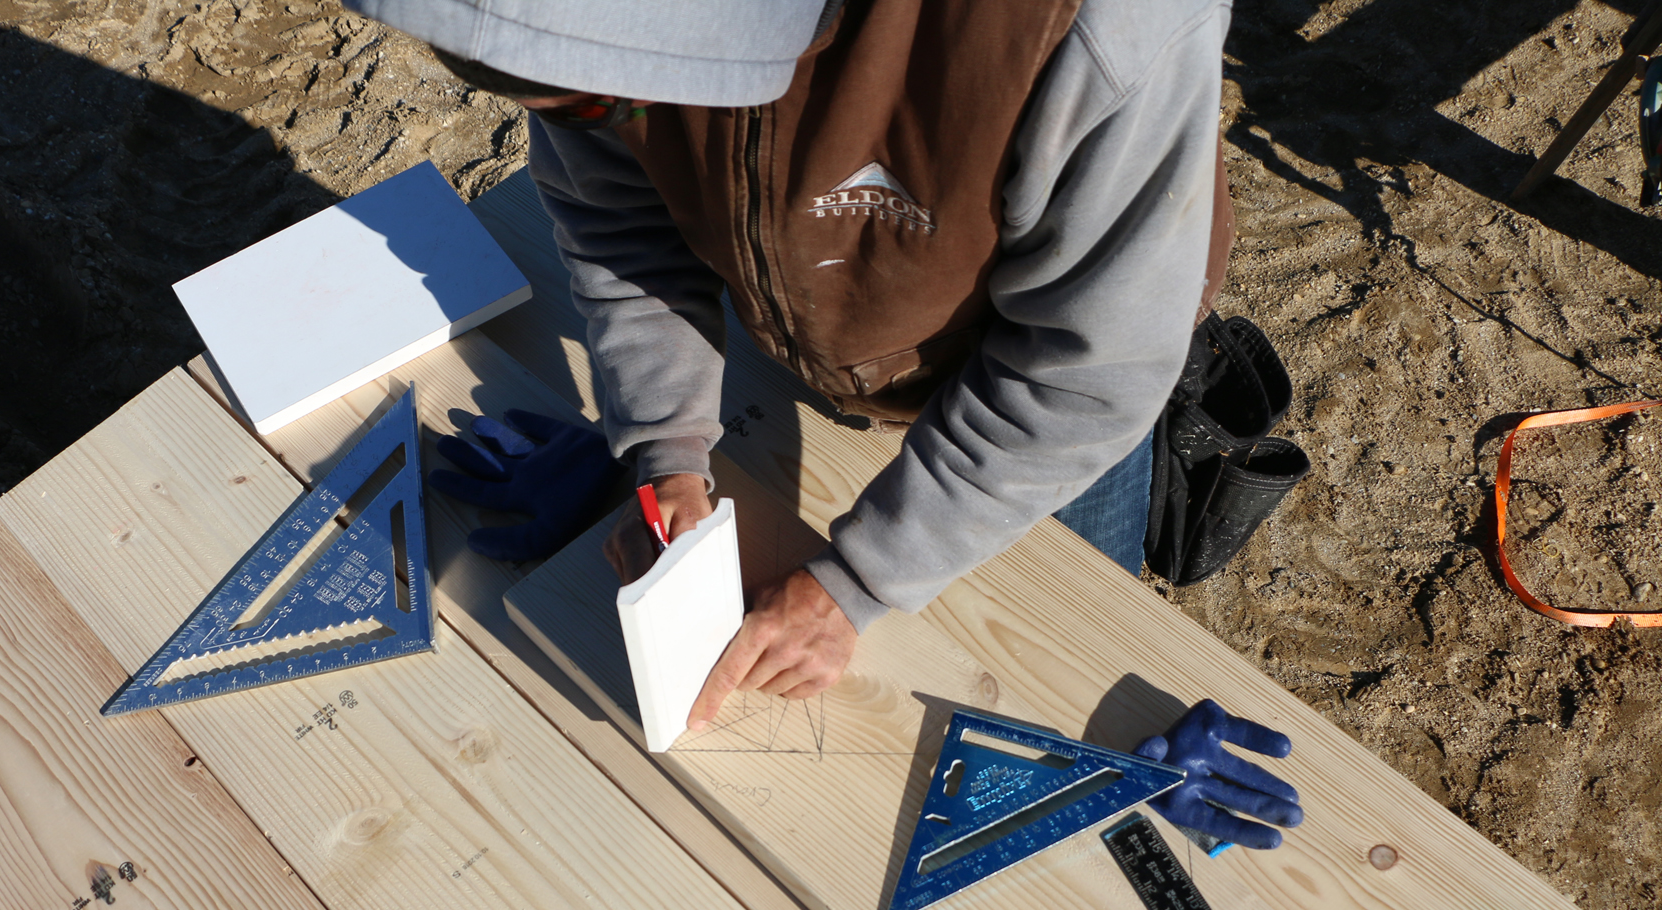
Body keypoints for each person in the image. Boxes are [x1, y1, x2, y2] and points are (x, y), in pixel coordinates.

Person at [354, 0, 1296, 848]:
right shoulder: (596, 35)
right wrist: (665, 449)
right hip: (823, 312)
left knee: (1059, 676)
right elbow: (622, 226)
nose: (594, 118)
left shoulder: (1102, 26)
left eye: (603, 95)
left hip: (1052, 387)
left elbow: (1084, 377)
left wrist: (856, 582)